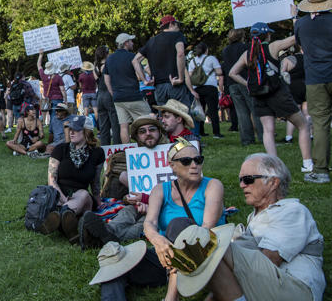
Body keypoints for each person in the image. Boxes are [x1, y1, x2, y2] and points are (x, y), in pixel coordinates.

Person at [206, 154, 325, 301]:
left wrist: (223, 250)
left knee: (215, 248)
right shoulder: (254, 218)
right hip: (267, 286)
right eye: (241, 180)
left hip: (296, 289)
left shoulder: (293, 210)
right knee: (214, 252)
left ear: (273, 182)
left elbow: (270, 260)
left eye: (248, 179)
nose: (242, 185)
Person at [141, 137, 225, 301]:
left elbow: (206, 229)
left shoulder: (213, 185)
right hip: (166, 253)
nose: (194, 165)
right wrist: (157, 240)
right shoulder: (160, 189)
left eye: (198, 160)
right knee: (120, 259)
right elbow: (149, 222)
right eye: (186, 161)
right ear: (172, 166)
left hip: (203, 254)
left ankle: (172, 296)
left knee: (179, 225)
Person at [229, 22, 312, 168]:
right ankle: (307, 164)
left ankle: (275, 166)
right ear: (267, 34)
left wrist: (248, 84)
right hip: (278, 94)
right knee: (303, 125)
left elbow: (232, 73)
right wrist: (295, 19)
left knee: (268, 130)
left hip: (258, 96)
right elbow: (296, 38)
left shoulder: (247, 54)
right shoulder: (273, 46)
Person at [80, 117, 168, 248]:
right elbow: (135, 189)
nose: (148, 133)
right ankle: (107, 231)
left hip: (166, 207)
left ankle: (102, 238)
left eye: (152, 129)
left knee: (145, 223)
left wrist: (147, 201)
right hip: (140, 204)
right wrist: (129, 198)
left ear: (159, 132)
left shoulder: (171, 154)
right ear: (137, 137)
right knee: (127, 212)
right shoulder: (136, 157)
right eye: (142, 131)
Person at [294, 0, 332, 183]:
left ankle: (321, 170)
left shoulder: (301, 24)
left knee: (320, 125)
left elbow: (300, 46)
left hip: (315, 78)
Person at [44, 116, 105, 242]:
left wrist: (98, 202)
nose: (71, 132)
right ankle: (68, 224)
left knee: (83, 195)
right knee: (61, 200)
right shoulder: (60, 149)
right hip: (59, 193)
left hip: (81, 197)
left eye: (76, 130)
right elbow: (51, 179)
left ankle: (60, 217)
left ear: (87, 131)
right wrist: (63, 198)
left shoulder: (97, 153)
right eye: (70, 129)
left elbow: (95, 182)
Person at [134, 15, 196, 107]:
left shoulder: (151, 41)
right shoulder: (177, 36)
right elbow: (180, 53)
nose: (178, 28)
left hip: (159, 87)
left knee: (165, 118)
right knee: (182, 116)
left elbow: (135, 60)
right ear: (171, 24)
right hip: (175, 84)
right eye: (177, 25)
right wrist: (181, 78)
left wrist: (145, 81)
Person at [106, 33, 151, 144]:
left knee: (124, 126)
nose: (132, 43)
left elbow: (106, 79)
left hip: (118, 98)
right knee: (148, 121)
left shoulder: (109, 59)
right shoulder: (132, 57)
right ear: (126, 43)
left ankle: (128, 150)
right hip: (133, 95)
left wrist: (113, 93)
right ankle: (146, 145)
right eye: (131, 41)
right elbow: (138, 70)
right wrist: (145, 80)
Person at [222, 28, 263, 146]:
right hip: (245, 80)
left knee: (241, 112)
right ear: (241, 36)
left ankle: (247, 139)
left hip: (232, 82)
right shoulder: (245, 47)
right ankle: (262, 136)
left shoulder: (225, 50)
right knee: (255, 109)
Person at [188, 42, 224, 138]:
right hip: (210, 87)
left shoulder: (192, 61)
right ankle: (216, 132)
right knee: (213, 110)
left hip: (197, 88)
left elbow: (190, 76)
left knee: (200, 110)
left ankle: (201, 131)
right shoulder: (211, 59)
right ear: (206, 50)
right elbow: (219, 72)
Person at [281, 48, 309, 144]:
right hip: (307, 85)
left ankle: (289, 137)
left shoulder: (288, 59)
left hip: (293, 86)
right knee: (307, 111)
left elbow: (283, 73)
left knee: (293, 112)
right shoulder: (309, 58)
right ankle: (311, 135)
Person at [95, 45, 120, 145]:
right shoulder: (109, 64)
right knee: (115, 124)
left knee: (103, 126)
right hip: (108, 94)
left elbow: (96, 81)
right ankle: (118, 146)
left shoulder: (95, 67)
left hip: (99, 96)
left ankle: (105, 149)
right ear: (106, 53)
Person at [37, 50, 67, 131]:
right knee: (56, 116)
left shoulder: (43, 76)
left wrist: (40, 55)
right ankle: (54, 131)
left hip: (48, 99)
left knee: (51, 115)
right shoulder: (58, 77)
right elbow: (63, 90)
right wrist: (65, 100)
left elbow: (39, 65)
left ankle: (52, 131)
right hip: (58, 99)